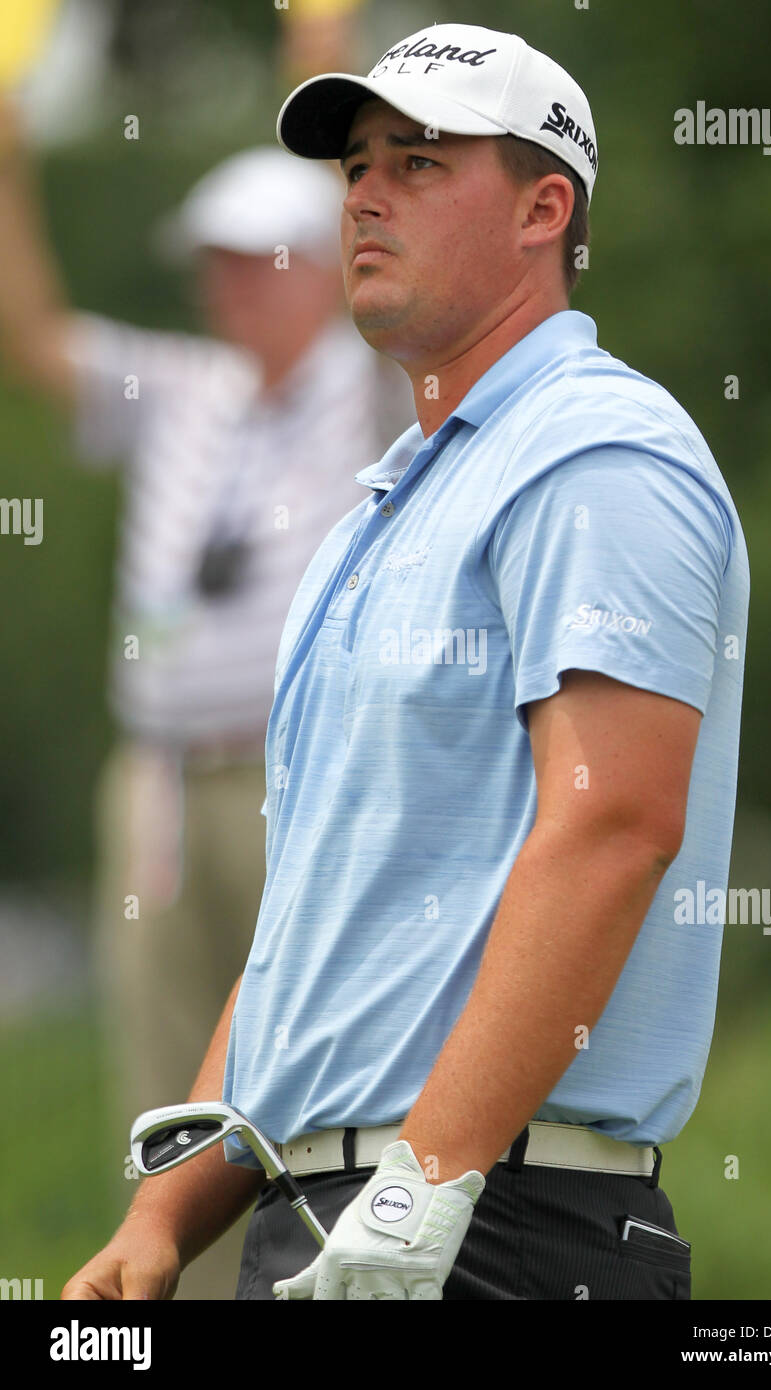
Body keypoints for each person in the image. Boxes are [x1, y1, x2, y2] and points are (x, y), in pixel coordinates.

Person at [61, 21, 749, 1302]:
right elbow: (309, 931)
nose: (365, 190)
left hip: (493, 1222)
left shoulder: (595, 451)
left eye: (421, 161)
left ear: (545, 208)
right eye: (356, 163)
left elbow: (612, 829)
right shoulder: (378, 514)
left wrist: (428, 1179)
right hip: (334, 1213)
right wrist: (164, 1219)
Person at [0, 104, 410, 1298]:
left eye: (251, 260)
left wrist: (332, 95)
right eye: (213, 263)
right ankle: (164, 1273)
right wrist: (9, 160)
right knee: (169, 1072)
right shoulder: (181, 385)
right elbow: (31, 333)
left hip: (302, 773)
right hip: (164, 779)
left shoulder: (367, 385)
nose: (223, 285)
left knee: (311, 1052)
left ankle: (312, 1277)